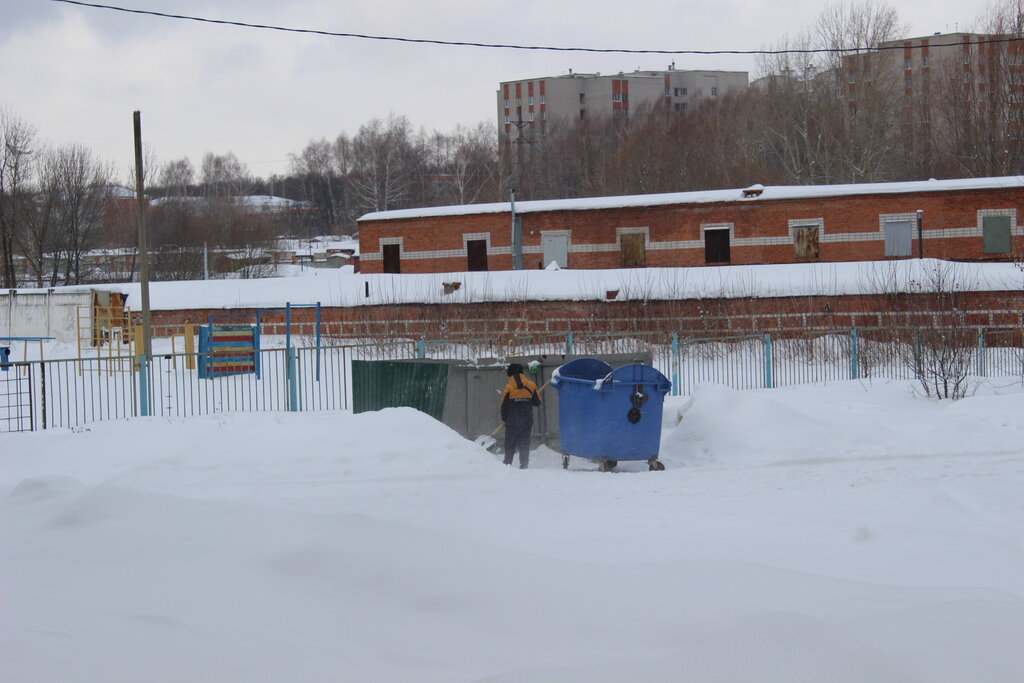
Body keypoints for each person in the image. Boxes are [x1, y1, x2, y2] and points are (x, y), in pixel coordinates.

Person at [499, 362, 541, 468]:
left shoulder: (509, 387)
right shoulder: (531, 386)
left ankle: (507, 464)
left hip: (512, 421)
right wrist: (528, 398)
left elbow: (503, 406)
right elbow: (537, 403)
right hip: (527, 420)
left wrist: (504, 419)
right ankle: (524, 465)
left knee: (510, 444)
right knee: (524, 444)